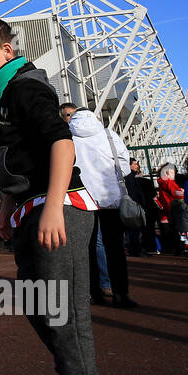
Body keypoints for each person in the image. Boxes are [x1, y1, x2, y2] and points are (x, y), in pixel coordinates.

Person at [0, 16, 107, 375]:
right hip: (31, 205)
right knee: (37, 303)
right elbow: (18, 160)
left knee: (62, 311)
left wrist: (55, 206)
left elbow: (61, 142)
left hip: (57, 207)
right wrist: (8, 207)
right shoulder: (6, 95)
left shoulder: (27, 87)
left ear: (6, 50)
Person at [65, 106, 138, 308]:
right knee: (115, 248)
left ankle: (93, 292)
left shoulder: (69, 137)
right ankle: (121, 293)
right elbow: (124, 165)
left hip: (82, 199)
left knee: (86, 248)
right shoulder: (108, 135)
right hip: (110, 198)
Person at [155, 164, 188, 258]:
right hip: (174, 209)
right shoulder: (169, 183)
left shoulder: (162, 182)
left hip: (165, 210)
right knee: (182, 232)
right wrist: (183, 191)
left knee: (171, 232)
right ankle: (185, 249)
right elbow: (178, 194)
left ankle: (174, 248)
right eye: (173, 172)